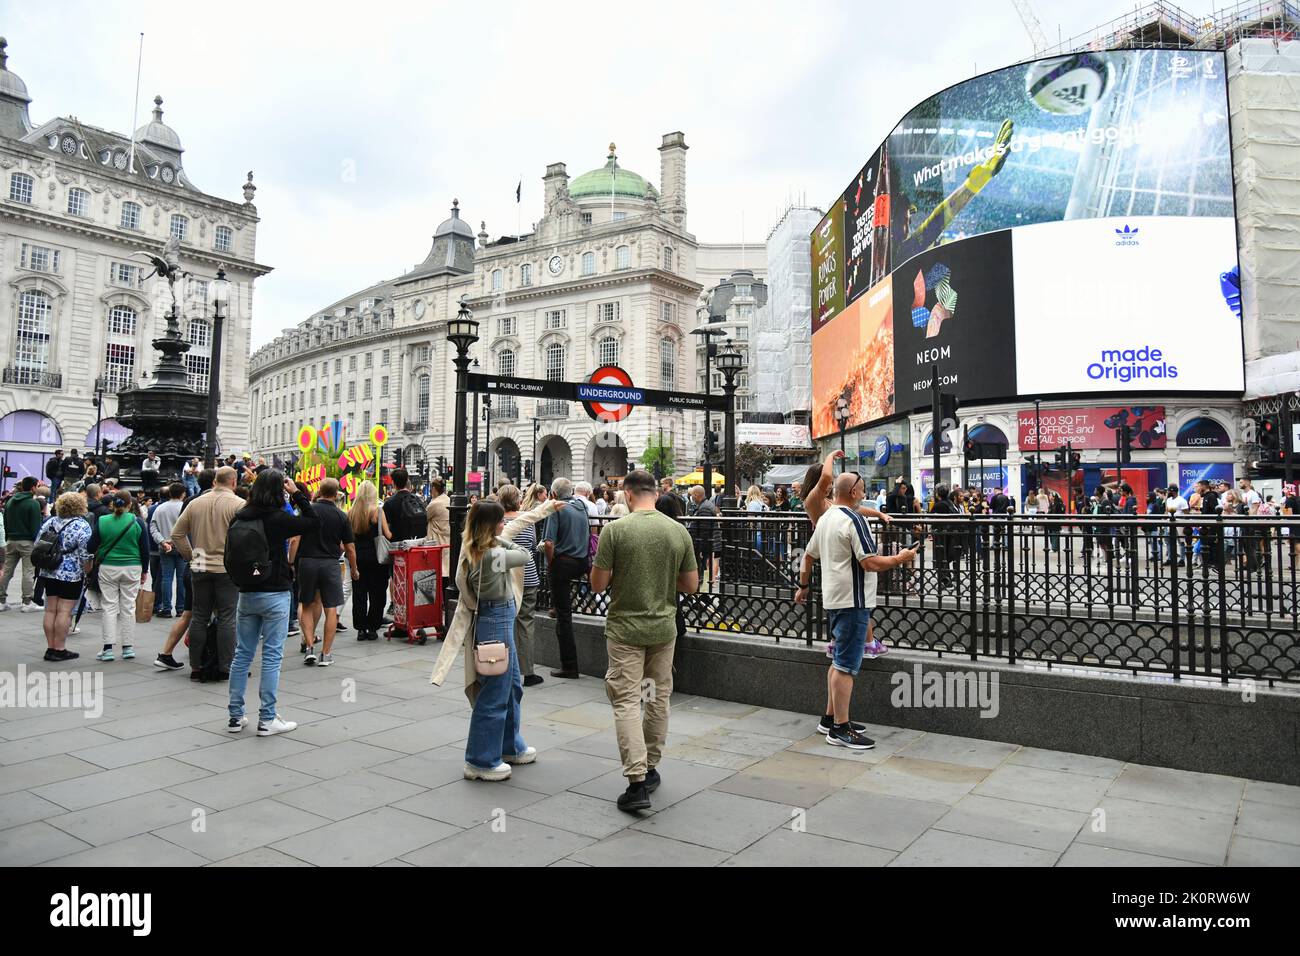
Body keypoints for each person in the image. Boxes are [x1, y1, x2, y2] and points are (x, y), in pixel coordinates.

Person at [589, 469, 698, 811]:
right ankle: (650, 766)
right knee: (655, 697)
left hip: (625, 631)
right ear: (653, 492)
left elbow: (597, 584)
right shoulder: (677, 531)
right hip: (662, 631)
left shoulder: (616, 531)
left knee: (625, 700)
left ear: (629, 494)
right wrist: (662, 581)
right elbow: (691, 585)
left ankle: (636, 783)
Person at [796, 473, 917, 749]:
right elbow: (870, 563)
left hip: (835, 599)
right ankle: (840, 728)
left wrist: (803, 585)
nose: (864, 495)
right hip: (853, 600)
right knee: (846, 666)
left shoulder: (825, 518)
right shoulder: (854, 520)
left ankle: (829, 719)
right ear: (852, 492)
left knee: (838, 661)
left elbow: (807, 555)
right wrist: (902, 558)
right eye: (862, 491)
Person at [225, 470, 319, 736]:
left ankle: (235, 715)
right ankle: (267, 718)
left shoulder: (240, 516)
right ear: (280, 491)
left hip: (246, 591)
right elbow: (312, 522)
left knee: (242, 654)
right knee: (271, 656)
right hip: (275, 591)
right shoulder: (279, 519)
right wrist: (297, 494)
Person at [459, 500, 539, 780]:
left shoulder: (477, 548)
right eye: (501, 522)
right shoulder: (493, 554)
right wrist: (500, 538)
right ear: (491, 527)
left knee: (512, 684)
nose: (505, 525)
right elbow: (524, 555)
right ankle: (480, 760)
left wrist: (495, 535)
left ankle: (508, 745)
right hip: (495, 622)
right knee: (495, 691)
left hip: (497, 620)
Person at [170, 466, 243, 681]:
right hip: (226, 567)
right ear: (234, 482)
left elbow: (177, 534)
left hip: (200, 565)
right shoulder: (239, 505)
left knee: (199, 615)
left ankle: (196, 665)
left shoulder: (195, 503)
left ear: (214, 482)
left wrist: (191, 556)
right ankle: (225, 665)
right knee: (228, 617)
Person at [293, 478, 357, 666]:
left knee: (306, 605)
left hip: (307, 562)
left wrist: (291, 562)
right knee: (331, 610)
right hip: (330, 564)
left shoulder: (307, 510)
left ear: (319, 491)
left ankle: (310, 646)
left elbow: (295, 538)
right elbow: (350, 548)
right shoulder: (341, 516)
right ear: (336, 494)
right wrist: (354, 569)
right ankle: (326, 654)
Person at [90, 489, 150, 662]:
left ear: (112, 504)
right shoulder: (137, 522)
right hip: (132, 566)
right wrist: (144, 570)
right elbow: (144, 549)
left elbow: (91, 546)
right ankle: (128, 647)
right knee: (128, 606)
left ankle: (108, 648)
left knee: (109, 606)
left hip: (108, 566)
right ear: (130, 504)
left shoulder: (103, 520)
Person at [540, 477, 590, 679]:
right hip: (581, 562)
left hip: (563, 562)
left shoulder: (556, 508)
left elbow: (549, 543)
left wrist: (551, 563)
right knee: (565, 608)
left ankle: (569, 665)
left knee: (563, 615)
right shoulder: (581, 507)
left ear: (553, 493)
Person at [35, 492, 94, 662]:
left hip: (49, 570)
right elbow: (85, 553)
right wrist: (88, 570)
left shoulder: (50, 522)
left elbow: (38, 543)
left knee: (50, 610)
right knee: (65, 611)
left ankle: (50, 647)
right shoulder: (82, 525)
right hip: (71, 573)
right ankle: (60, 648)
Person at [499, 484, 544, 687]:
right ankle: (527, 671)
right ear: (518, 500)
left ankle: (501, 666)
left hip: (504, 577)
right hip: (528, 575)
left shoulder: (496, 522)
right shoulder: (526, 520)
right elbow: (533, 547)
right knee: (526, 623)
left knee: (503, 621)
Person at [350, 481, 392, 641]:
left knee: (359, 594)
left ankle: (360, 629)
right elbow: (388, 535)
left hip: (358, 558)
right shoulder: (378, 512)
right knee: (377, 594)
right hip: (376, 559)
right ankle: (373, 627)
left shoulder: (352, 512)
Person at [1, 476, 44, 612]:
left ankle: (1, 600)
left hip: (11, 540)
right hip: (27, 542)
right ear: (32, 487)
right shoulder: (33, 503)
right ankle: (26, 602)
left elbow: (6, 522)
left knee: (7, 571)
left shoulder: (10, 501)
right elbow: (35, 527)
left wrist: (8, 537)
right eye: (37, 486)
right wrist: (36, 542)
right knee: (28, 571)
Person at [149, 482, 188, 618]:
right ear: (183, 494)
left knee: (166, 577)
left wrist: (162, 541)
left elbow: (153, 527)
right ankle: (181, 608)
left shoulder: (160, 508)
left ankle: (166, 607)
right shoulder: (185, 507)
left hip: (165, 546)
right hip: (182, 546)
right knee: (181, 578)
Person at [686, 485, 722, 585]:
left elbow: (704, 532)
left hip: (704, 546)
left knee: (701, 573)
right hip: (707, 546)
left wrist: (701, 549)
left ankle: (700, 591)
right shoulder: (706, 505)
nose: (691, 497)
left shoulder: (704, 508)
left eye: (692, 495)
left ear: (696, 495)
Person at [383, 467, 427, 543]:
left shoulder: (389, 503)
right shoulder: (417, 499)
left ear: (393, 483)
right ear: (407, 481)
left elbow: (385, 528)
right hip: (417, 544)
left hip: (398, 546)